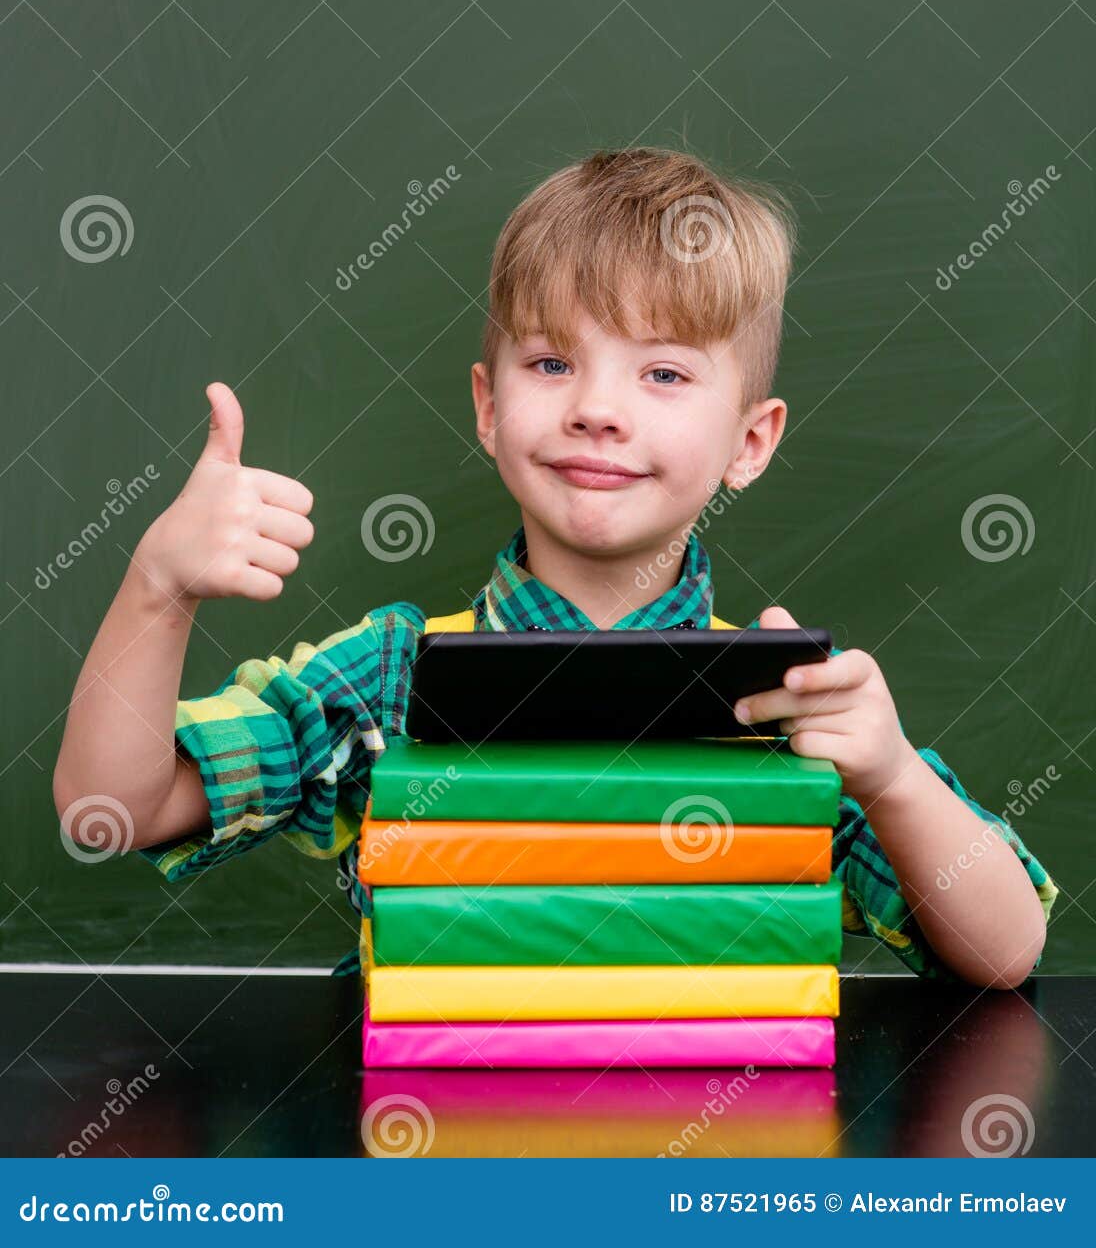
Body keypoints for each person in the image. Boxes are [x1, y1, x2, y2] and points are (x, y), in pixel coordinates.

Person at [52, 147, 1057, 984]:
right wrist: (159, 588)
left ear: (749, 442)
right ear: (489, 407)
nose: (597, 408)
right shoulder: (387, 679)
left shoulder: (782, 707)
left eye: (662, 371)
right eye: (551, 362)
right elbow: (113, 814)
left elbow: (1006, 952)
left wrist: (888, 780)